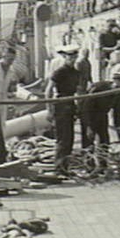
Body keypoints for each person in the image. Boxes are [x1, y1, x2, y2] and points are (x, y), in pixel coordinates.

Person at [45, 44, 81, 175]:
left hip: (70, 104)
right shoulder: (60, 72)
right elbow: (48, 91)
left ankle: (65, 167)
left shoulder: (76, 72)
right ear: (65, 57)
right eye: (69, 57)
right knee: (62, 138)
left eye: (74, 56)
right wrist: (49, 110)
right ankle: (59, 168)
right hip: (60, 105)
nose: (72, 59)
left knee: (70, 138)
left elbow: (77, 90)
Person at [81, 71, 120, 169]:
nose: (118, 87)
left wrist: (119, 126)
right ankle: (89, 166)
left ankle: (103, 166)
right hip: (89, 114)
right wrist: (88, 126)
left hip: (102, 115)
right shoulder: (99, 87)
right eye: (117, 83)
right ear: (113, 81)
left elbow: (118, 111)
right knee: (89, 141)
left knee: (104, 141)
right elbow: (86, 107)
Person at [74, 48, 94, 148]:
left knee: (85, 101)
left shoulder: (87, 62)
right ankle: (79, 111)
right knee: (81, 100)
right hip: (80, 85)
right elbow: (76, 74)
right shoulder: (80, 62)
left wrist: (91, 82)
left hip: (85, 84)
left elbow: (89, 74)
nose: (87, 54)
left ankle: (82, 110)